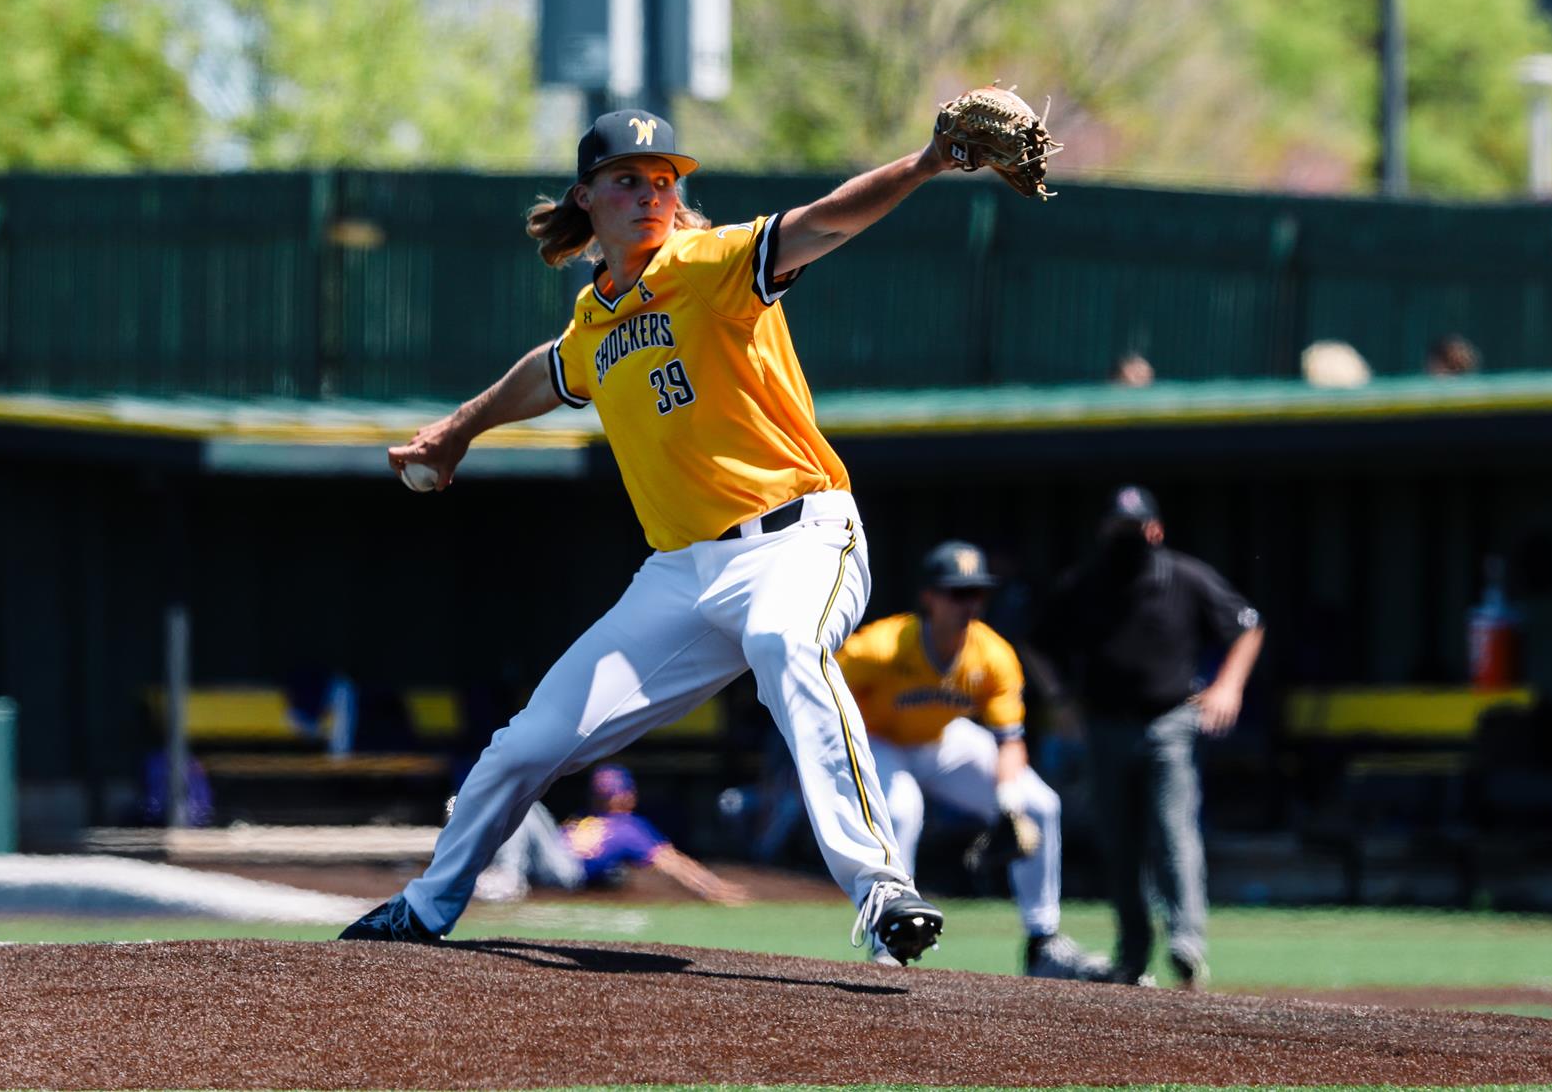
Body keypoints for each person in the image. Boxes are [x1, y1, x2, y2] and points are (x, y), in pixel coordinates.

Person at [340, 105, 974, 966]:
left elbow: (827, 219)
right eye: (629, 180)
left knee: (786, 642)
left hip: (800, 537)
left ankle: (881, 888)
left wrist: (929, 161)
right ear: (587, 197)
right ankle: (425, 907)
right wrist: (459, 430)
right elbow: (549, 369)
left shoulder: (710, 264)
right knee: (529, 743)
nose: (651, 194)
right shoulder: (595, 321)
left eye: (665, 180)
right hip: (681, 574)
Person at [838, 541, 1113, 981]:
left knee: (1038, 805)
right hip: (879, 741)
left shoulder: (992, 654)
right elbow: (821, 697)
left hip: (942, 741)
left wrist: (1005, 801)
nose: (968, 604)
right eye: (956, 593)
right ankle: (888, 940)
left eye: (976, 593)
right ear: (928, 597)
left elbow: (1010, 740)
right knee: (903, 809)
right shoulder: (879, 647)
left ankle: (1043, 939)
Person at [1031, 486, 1265, 990]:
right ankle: (1133, 952)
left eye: (1134, 530)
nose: (1127, 539)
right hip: (1105, 725)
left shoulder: (1184, 576)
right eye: (1118, 530)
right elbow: (1037, 641)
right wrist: (1061, 700)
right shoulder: (1087, 583)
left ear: (1155, 530)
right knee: (1119, 841)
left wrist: (1229, 685)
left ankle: (1187, 943)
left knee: (1172, 831)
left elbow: (1248, 625)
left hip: (1170, 721)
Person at [474, 764, 750, 905]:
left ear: (630, 795)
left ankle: (507, 877)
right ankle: (485, 870)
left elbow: (671, 861)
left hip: (568, 869)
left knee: (526, 804)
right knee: (513, 808)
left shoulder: (630, 827)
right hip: (546, 861)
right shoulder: (586, 815)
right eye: (603, 793)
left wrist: (711, 888)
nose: (607, 798)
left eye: (612, 792)